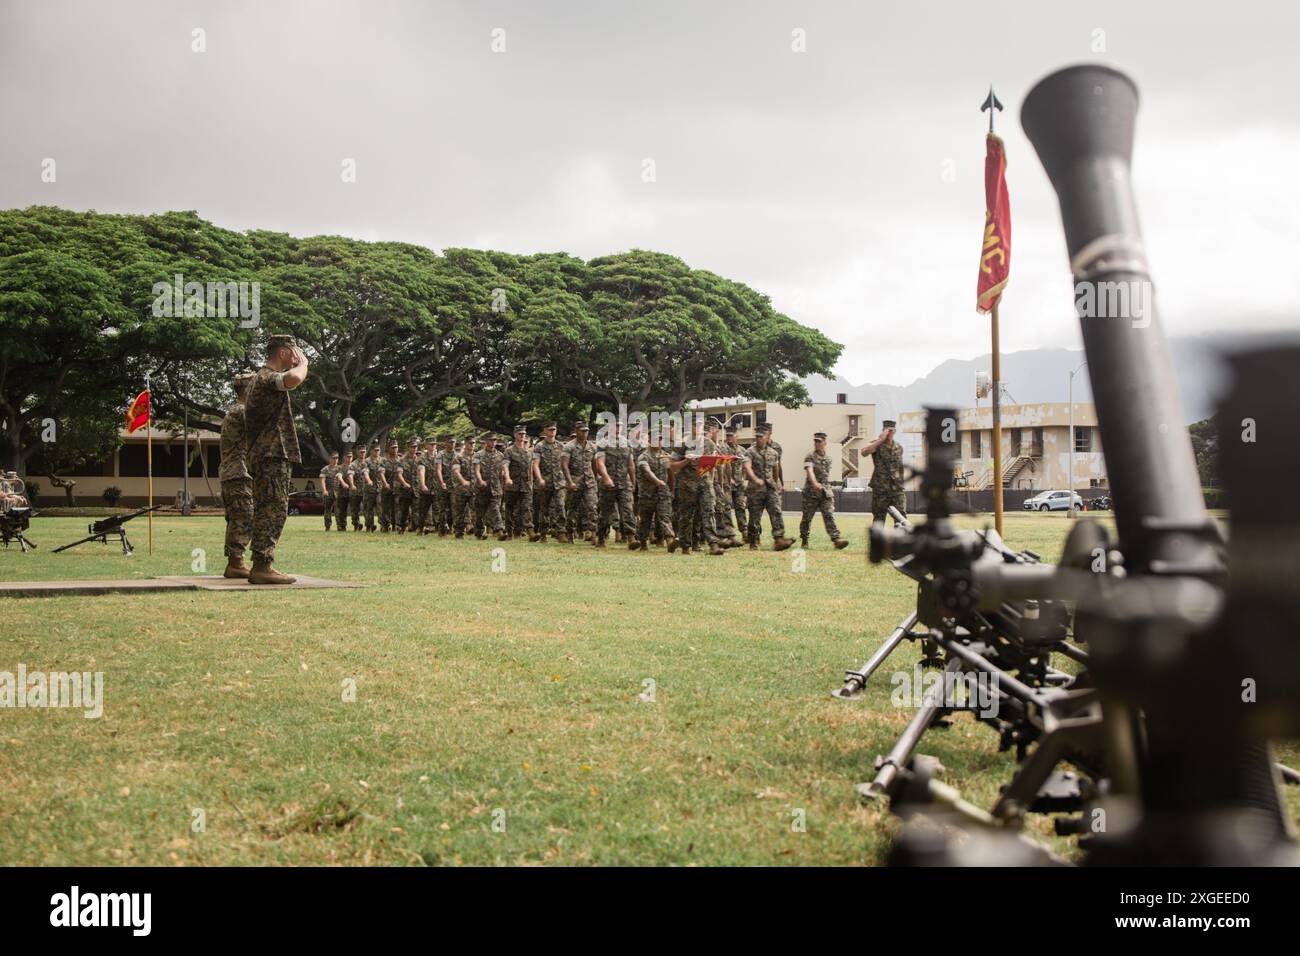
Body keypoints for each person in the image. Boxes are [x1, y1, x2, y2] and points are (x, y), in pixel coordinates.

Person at [242, 334, 308, 584]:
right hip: (271, 454)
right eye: (294, 352)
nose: (296, 357)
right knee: (273, 509)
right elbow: (294, 379)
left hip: (269, 453)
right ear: (282, 353)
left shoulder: (263, 379)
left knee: (270, 507)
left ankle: (262, 563)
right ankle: (262, 565)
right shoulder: (267, 377)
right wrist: (304, 365)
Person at [218, 371, 256, 578]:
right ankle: (236, 562)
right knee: (244, 516)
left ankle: (236, 561)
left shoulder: (236, 411)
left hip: (236, 472)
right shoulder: (241, 412)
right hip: (237, 473)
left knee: (239, 516)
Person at [742, 424, 793, 551]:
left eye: (761, 437)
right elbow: (747, 467)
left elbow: (776, 468)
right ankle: (754, 540)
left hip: (770, 488)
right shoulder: (749, 452)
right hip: (755, 489)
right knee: (754, 516)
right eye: (757, 437)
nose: (758, 439)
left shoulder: (773, 453)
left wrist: (775, 483)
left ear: (767, 437)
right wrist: (755, 479)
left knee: (776, 511)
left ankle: (779, 539)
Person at [800, 432, 849, 549]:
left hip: (825, 492)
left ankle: (836, 539)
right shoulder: (809, 456)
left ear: (824, 443)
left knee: (829, 514)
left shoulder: (828, 459)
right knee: (807, 518)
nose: (816, 443)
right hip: (811, 492)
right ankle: (804, 539)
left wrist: (822, 485)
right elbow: (809, 471)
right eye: (815, 441)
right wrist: (815, 483)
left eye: (819, 441)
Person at [594, 420, 637, 549]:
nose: (617, 429)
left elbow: (630, 464)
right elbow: (600, 463)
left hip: (624, 483)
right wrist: (606, 478)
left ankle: (631, 538)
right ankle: (601, 537)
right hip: (609, 483)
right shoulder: (603, 443)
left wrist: (633, 481)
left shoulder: (626, 443)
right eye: (615, 426)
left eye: (620, 426)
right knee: (605, 512)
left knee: (628, 510)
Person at [861, 419, 906, 525]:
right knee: (879, 517)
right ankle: (878, 540)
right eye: (886, 430)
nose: (888, 433)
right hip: (881, 488)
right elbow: (864, 452)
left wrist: (902, 482)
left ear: (894, 431)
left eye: (890, 430)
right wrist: (880, 440)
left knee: (901, 517)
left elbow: (901, 467)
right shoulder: (876, 445)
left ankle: (899, 540)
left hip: (897, 488)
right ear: (882, 431)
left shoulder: (899, 447)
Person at [635, 432, 674, 551]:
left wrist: (672, 491)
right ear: (650, 441)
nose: (659, 441)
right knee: (645, 520)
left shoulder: (666, 456)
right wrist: (657, 481)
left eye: (661, 439)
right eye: (656, 439)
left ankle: (670, 541)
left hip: (663, 494)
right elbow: (646, 472)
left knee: (665, 517)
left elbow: (671, 474)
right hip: (647, 494)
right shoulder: (643, 457)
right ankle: (642, 543)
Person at [531, 421, 567, 542]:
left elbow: (565, 464)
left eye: (554, 430)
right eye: (550, 430)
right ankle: (543, 533)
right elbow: (535, 464)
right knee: (544, 509)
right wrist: (539, 478)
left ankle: (561, 532)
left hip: (559, 482)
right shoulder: (539, 446)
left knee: (561, 506)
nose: (552, 432)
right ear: (545, 431)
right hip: (545, 482)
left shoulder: (561, 446)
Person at [562, 421, 598, 542]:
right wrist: (569, 481)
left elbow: (595, 465)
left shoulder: (592, 447)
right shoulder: (569, 447)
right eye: (582, 431)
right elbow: (564, 465)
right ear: (577, 431)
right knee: (572, 508)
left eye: (586, 431)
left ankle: (593, 533)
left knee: (592, 506)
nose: (585, 433)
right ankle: (570, 532)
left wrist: (597, 478)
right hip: (575, 480)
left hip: (589, 481)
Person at [502, 424, 537, 541]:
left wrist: (532, 482)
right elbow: (505, 465)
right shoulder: (509, 451)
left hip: (526, 484)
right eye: (520, 434)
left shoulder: (529, 452)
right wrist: (507, 478)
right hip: (512, 484)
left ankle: (530, 531)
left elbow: (531, 467)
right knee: (510, 509)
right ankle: (509, 532)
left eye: (523, 434)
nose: (522, 436)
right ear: (515, 435)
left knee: (527, 508)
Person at [472, 433, 507, 539]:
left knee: (495, 509)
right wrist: (480, 480)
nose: (493, 442)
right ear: (486, 441)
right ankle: (479, 532)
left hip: (495, 488)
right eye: (491, 440)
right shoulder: (478, 455)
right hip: (481, 488)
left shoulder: (500, 455)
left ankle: (499, 530)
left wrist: (504, 483)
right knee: (480, 513)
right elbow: (476, 470)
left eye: (495, 440)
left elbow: (503, 471)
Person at [363, 441, 383, 531]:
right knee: (368, 508)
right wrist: (368, 480)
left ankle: (383, 525)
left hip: (380, 488)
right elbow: (365, 472)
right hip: (369, 489)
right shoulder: (366, 461)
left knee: (380, 507)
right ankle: (369, 525)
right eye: (375, 450)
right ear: (371, 451)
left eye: (378, 450)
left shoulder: (383, 461)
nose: (377, 452)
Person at [318, 450, 340, 531]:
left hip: (338, 492)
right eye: (334, 458)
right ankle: (328, 526)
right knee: (328, 510)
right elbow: (322, 480)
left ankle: (340, 526)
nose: (335, 460)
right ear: (330, 459)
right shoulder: (325, 469)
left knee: (338, 510)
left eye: (337, 458)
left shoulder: (340, 468)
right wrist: (324, 490)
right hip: (328, 492)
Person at [334, 449, 353, 532]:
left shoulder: (354, 466)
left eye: (351, 457)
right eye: (348, 457)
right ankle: (341, 526)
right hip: (343, 492)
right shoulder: (340, 467)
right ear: (344, 457)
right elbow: (339, 476)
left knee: (354, 509)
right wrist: (343, 483)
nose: (350, 458)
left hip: (353, 492)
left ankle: (356, 525)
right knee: (342, 510)